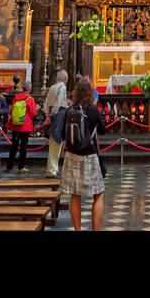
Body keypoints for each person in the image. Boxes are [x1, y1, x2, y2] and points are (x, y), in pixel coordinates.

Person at [60, 79, 106, 230]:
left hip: (72, 155)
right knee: (98, 194)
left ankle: (78, 229)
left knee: (75, 195)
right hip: (90, 156)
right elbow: (102, 131)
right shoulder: (93, 110)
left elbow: (62, 134)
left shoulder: (69, 111)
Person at [6, 81, 37, 172]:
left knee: (14, 146)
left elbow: (11, 111)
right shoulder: (30, 99)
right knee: (23, 146)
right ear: (29, 88)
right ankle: (21, 166)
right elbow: (33, 113)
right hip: (25, 125)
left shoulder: (16, 97)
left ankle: (9, 166)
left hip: (15, 125)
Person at [43, 69, 70, 176]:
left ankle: (53, 168)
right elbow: (58, 102)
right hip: (58, 115)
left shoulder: (53, 87)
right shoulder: (62, 87)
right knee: (56, 141)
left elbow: (45, 103)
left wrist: (47, 114)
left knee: (54, 143)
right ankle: (52, 170)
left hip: (52, 114)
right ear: (65, 79)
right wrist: (52, 115)